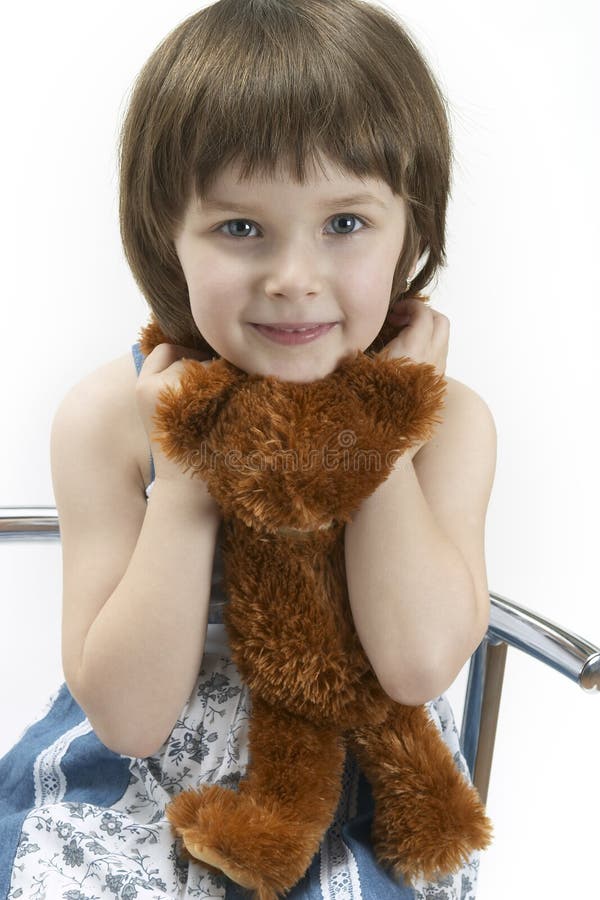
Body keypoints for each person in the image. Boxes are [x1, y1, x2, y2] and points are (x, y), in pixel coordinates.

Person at [0, 0, 497, 897]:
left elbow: (418, 664)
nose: (292, 279)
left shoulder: (448, 424)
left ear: (413, 231)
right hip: (135, 795)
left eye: (344, 224)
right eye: (239, 228)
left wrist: (377, 438)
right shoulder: (111, 416)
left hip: (360, 789)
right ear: (167, 236)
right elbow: (128, 720)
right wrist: (187, 475)